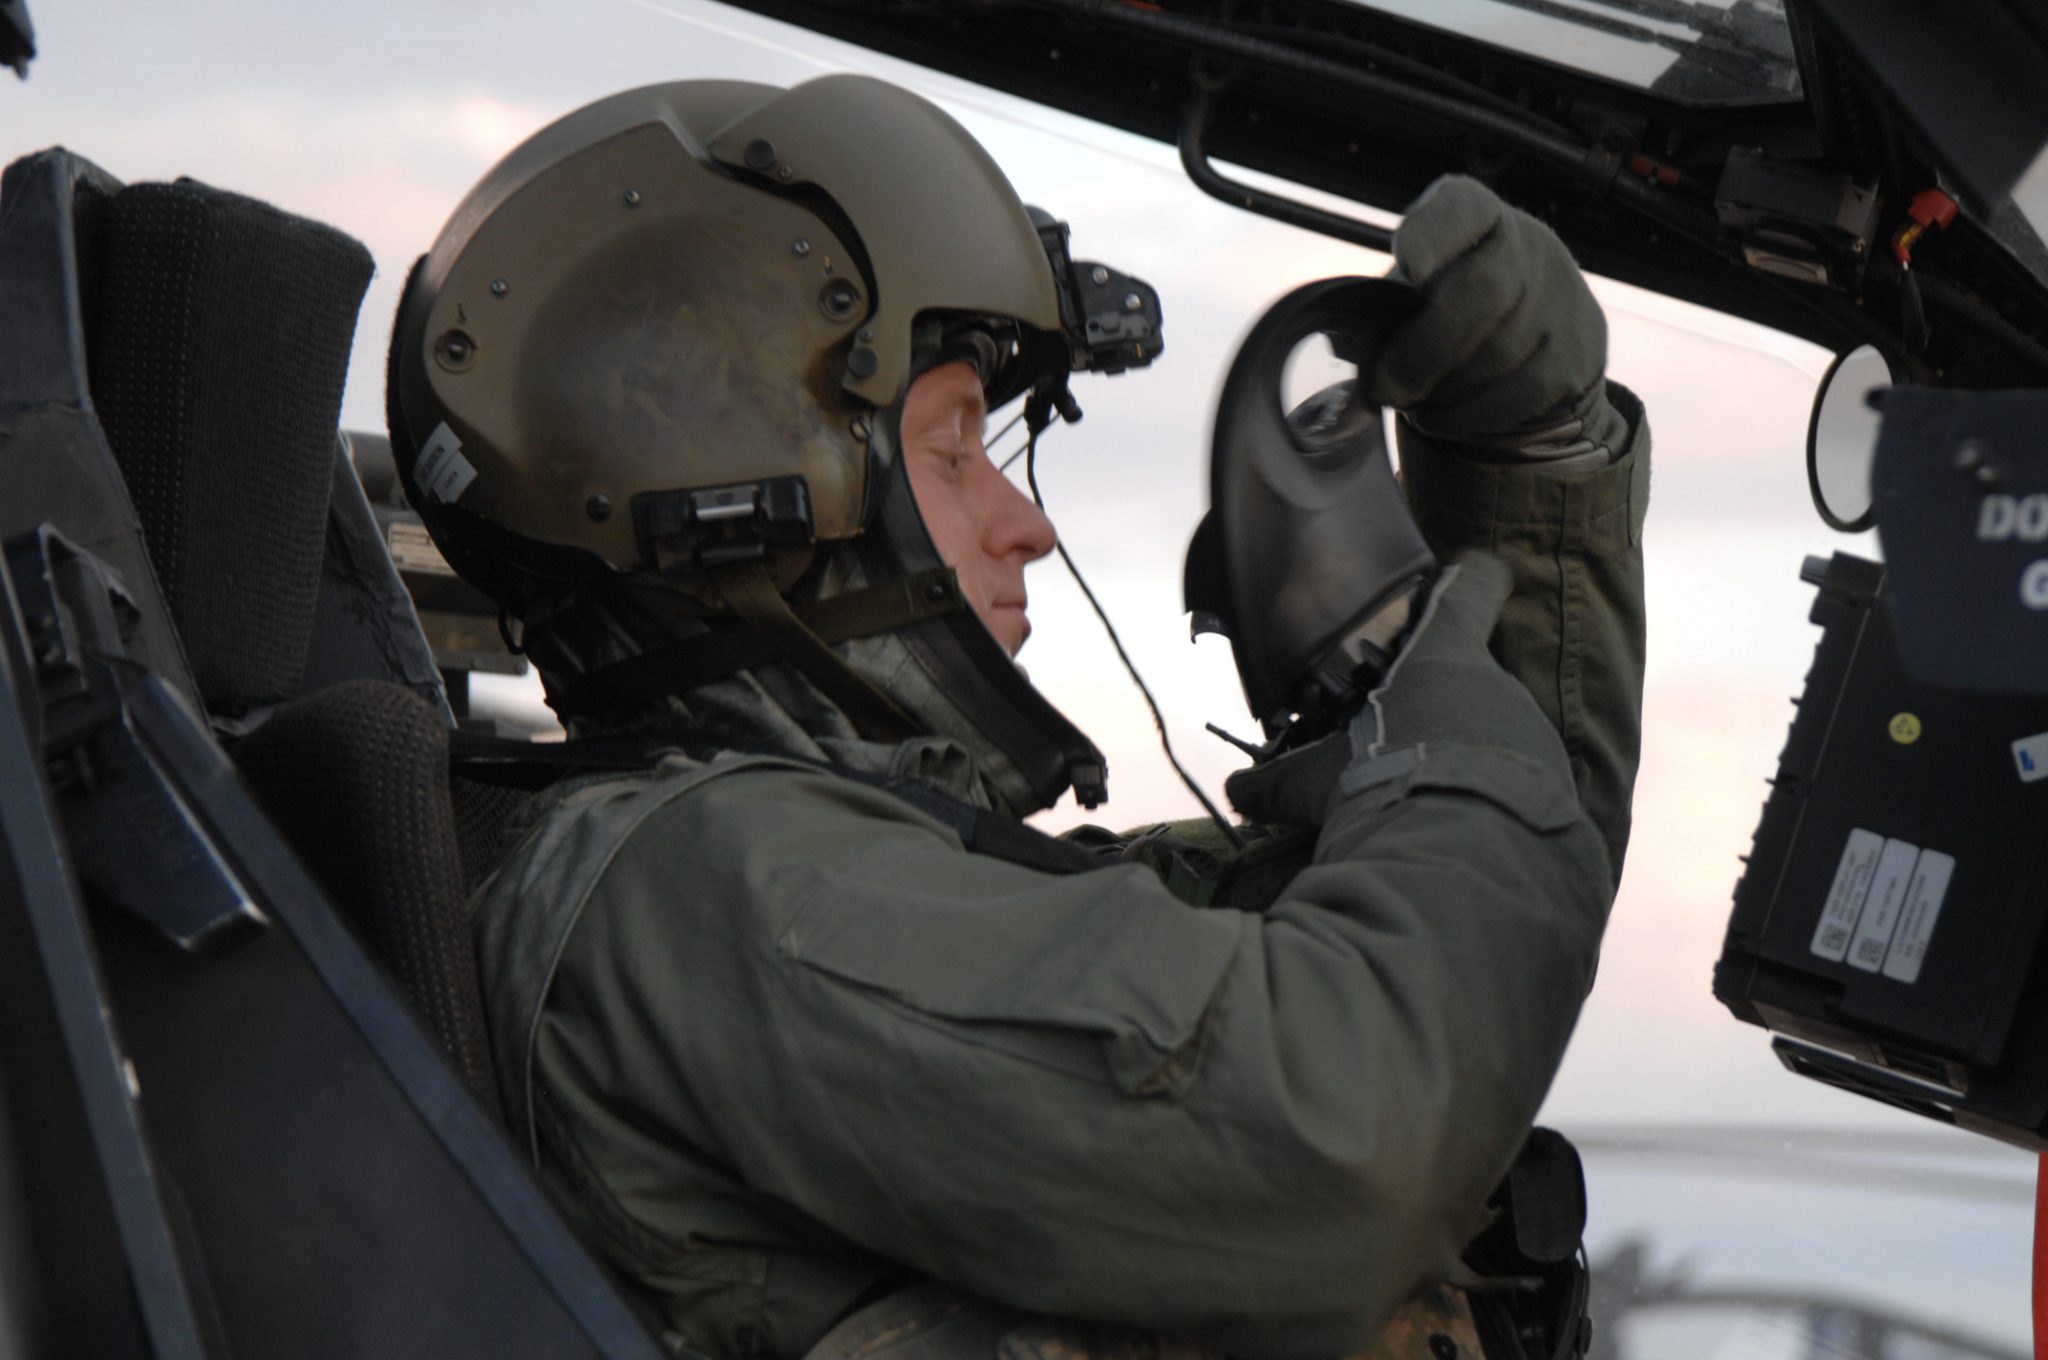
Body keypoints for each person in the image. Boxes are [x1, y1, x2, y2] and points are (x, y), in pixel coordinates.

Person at [386, 74, 1648, 1360]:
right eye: (951, 453)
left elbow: (1491, 946)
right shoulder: (713, 892)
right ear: (742, 488)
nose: (1025, 523)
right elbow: (1347, 1136)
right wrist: (1436, 751)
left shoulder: (826, 874)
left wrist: (1525, 475)